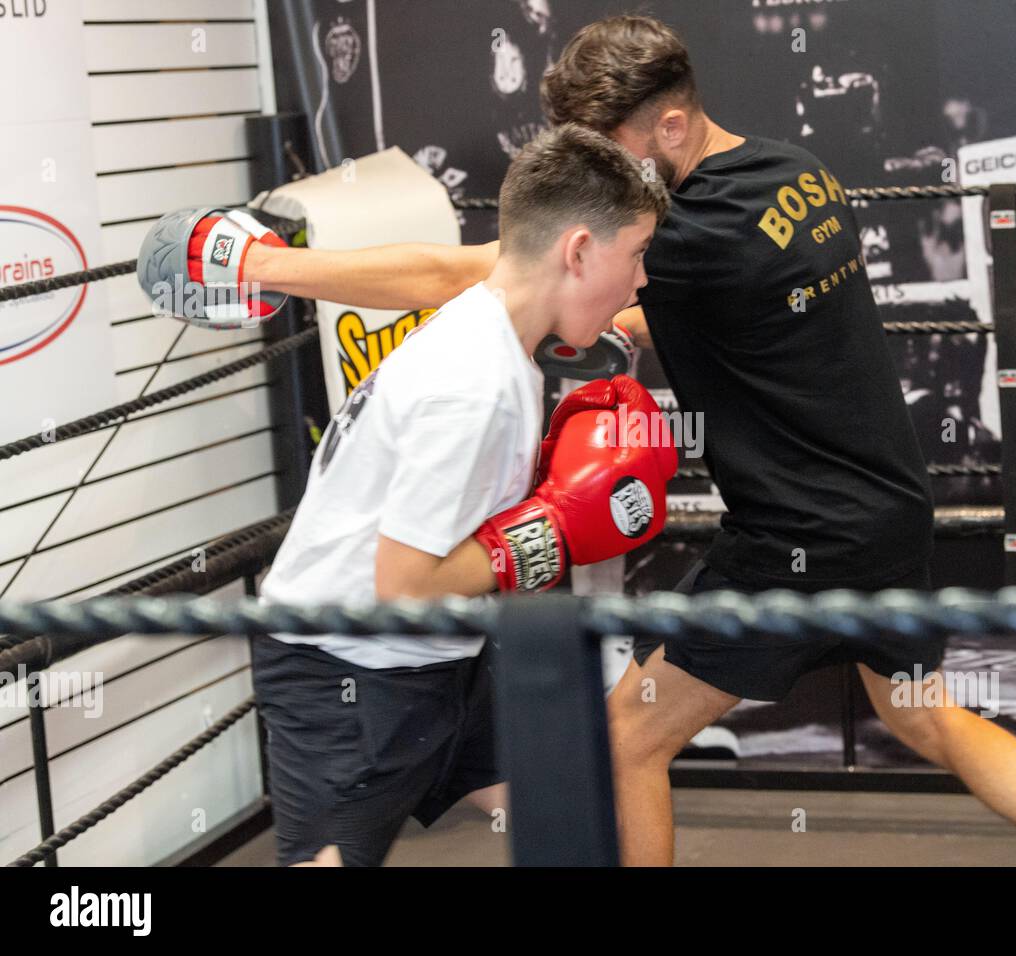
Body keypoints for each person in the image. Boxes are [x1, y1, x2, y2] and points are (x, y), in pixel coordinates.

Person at [226, 16, 1016, 868]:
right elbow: (738, 313)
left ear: (668, 122)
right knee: (930, 719)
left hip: (793, 540)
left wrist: (266, 265)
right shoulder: (797, 172)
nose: (593, 175)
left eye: (604, 149)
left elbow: (459, 274)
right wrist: (626, 329)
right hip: (887, 511)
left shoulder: (689, 234)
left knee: (626, 737)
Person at [139, 123, 673, 865]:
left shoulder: (491, 329)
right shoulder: (472, 383)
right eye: (637, 255)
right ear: (578, 250)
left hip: (438, 657)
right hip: (344, 668)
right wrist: (547, 529)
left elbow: (429, 271)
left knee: (580, 804)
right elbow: (404, 583)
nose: (641, 283)